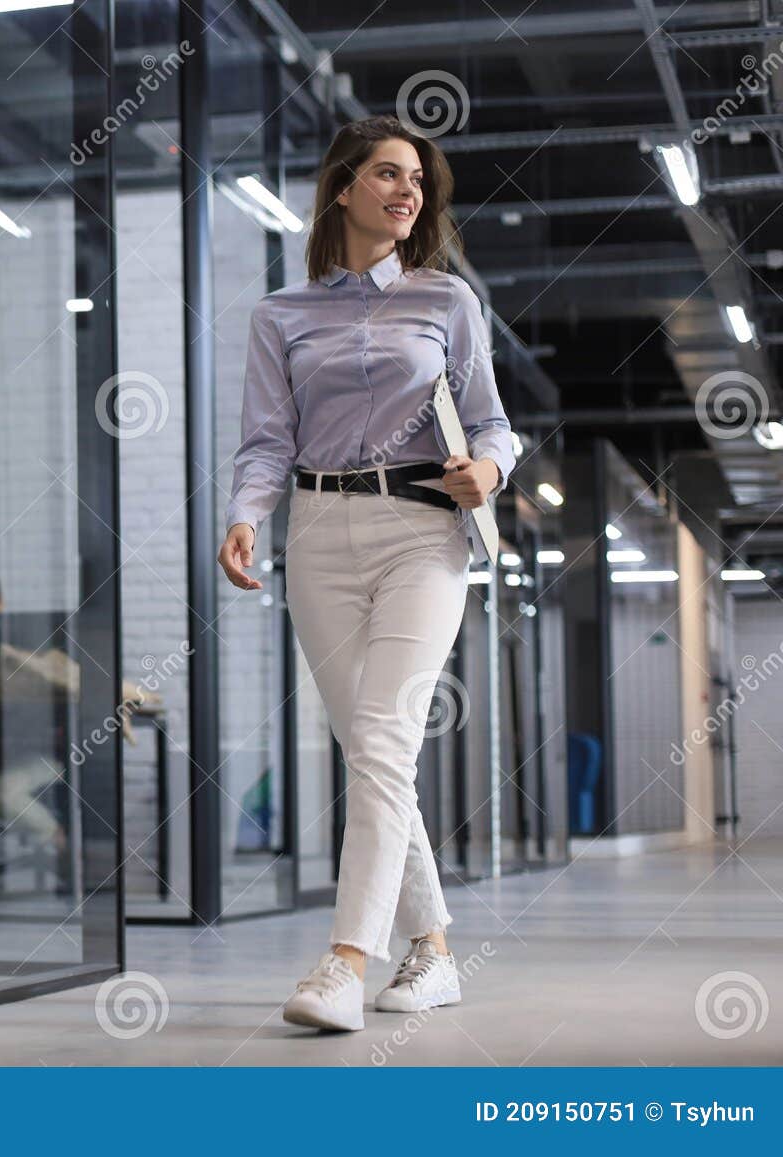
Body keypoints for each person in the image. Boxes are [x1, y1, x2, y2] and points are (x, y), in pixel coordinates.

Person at [216, 115, 516, 1032]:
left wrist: (489, 471)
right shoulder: (282, 315)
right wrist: (244, 515)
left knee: (385, 740)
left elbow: (494, 422)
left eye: (418, 182)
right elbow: (267, 440)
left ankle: (345, 960)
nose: (407, 192)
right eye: (388, 174)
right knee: (373, 753)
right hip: (318, 535)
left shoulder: (446, 301)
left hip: (423, 533)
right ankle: (433, 952)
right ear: (344, 187)